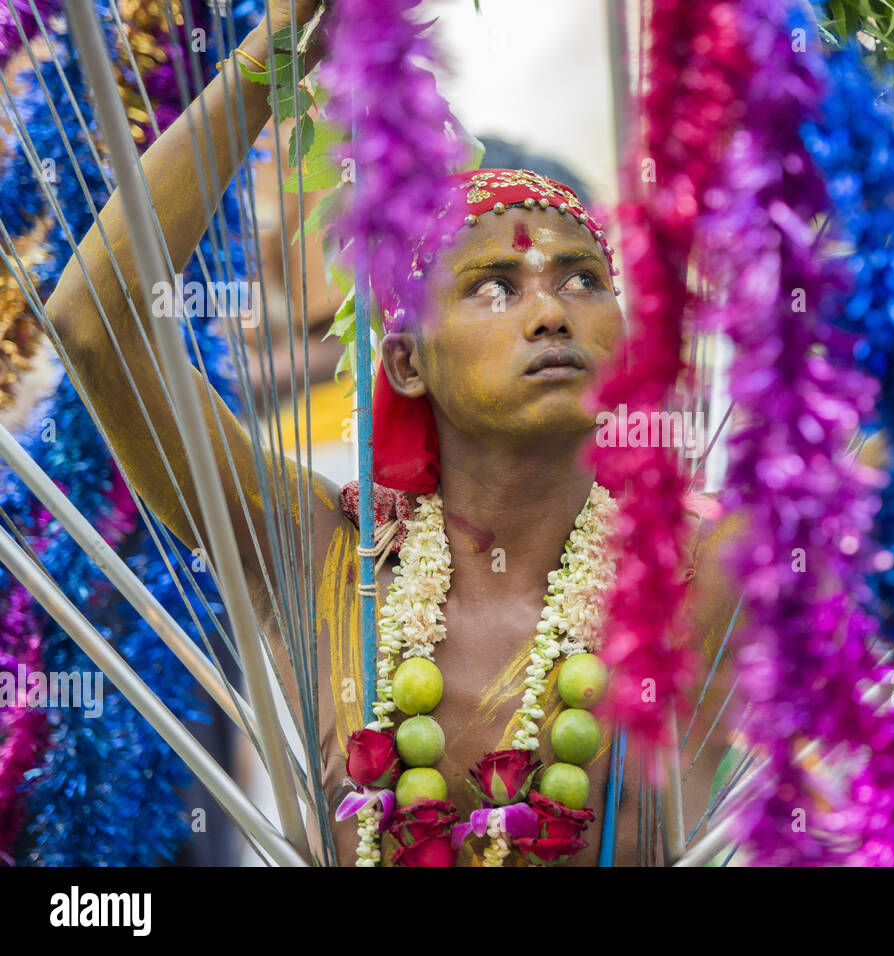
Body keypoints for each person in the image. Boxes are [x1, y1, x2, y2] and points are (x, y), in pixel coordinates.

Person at [44, 0, 737, 865]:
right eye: (492, 287)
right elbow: (93, 323)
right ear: (405, 364)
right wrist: (276, 54)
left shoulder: (710, 565)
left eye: (584, 279)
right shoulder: (316, 547)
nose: (551, 312)